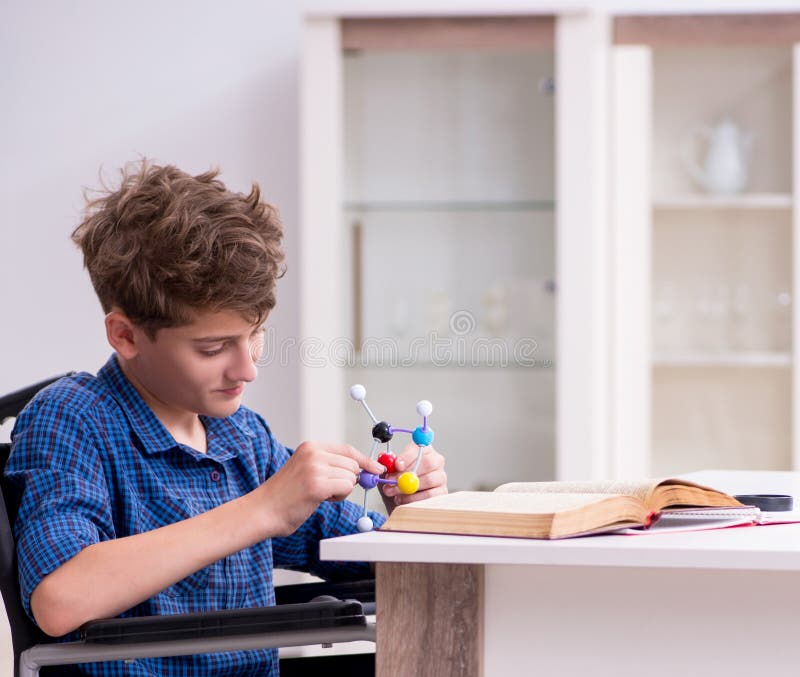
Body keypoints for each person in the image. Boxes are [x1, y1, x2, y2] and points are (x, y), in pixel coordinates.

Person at [5, 161, 448, 676]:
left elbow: (361, 553)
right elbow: (60, 600)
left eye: (255, 334)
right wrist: (261, 509)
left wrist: (410, 514)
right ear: (125, 336)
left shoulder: (242, 435)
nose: (247, 368)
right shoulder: (73, 418)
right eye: (214, 347)